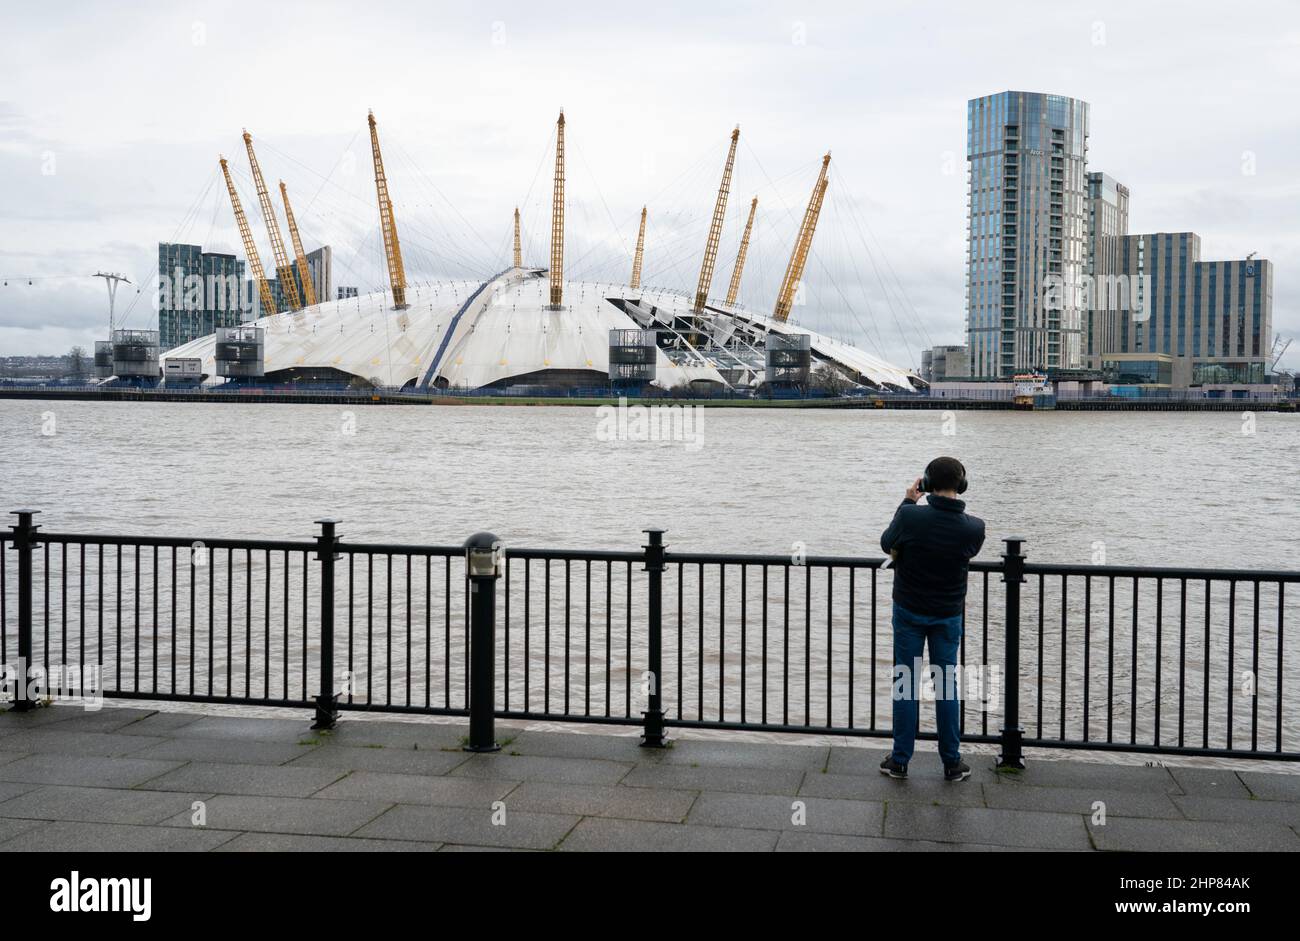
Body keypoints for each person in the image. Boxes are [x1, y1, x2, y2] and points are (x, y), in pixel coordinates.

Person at [878, 456, 985, 782]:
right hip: (948, 616)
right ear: (961, 485)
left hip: (909, 611)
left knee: (906, 685)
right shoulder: (974, 527)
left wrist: (908, 500)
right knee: (947, 687)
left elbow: (887, 543)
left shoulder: (911, 516)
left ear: (926, 482)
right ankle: (952, 763)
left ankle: (899, 761)